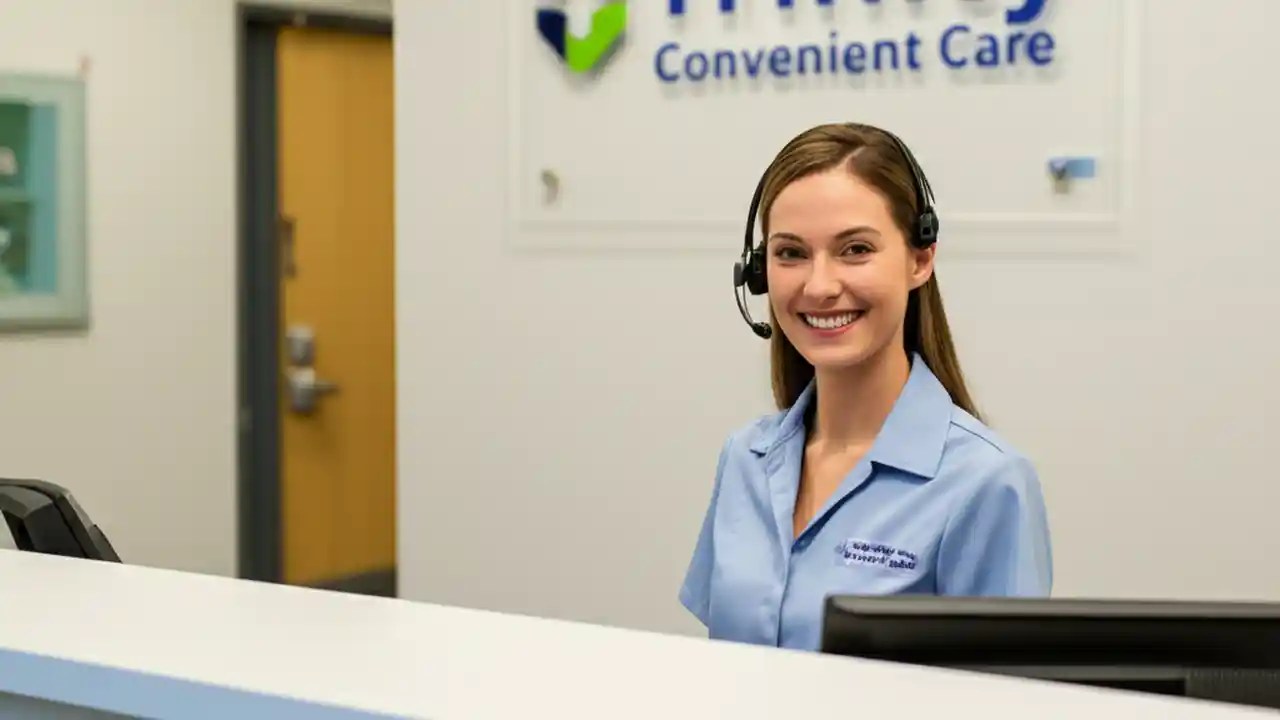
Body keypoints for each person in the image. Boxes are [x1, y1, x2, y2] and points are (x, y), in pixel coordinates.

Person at [678, 122, 1052, 651]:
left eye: (855, 249)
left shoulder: (985, 482)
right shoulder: (746, 459)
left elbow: (1010, 702)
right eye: (790, 253)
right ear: (760, 273)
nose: (820, 285)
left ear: (920, 260)